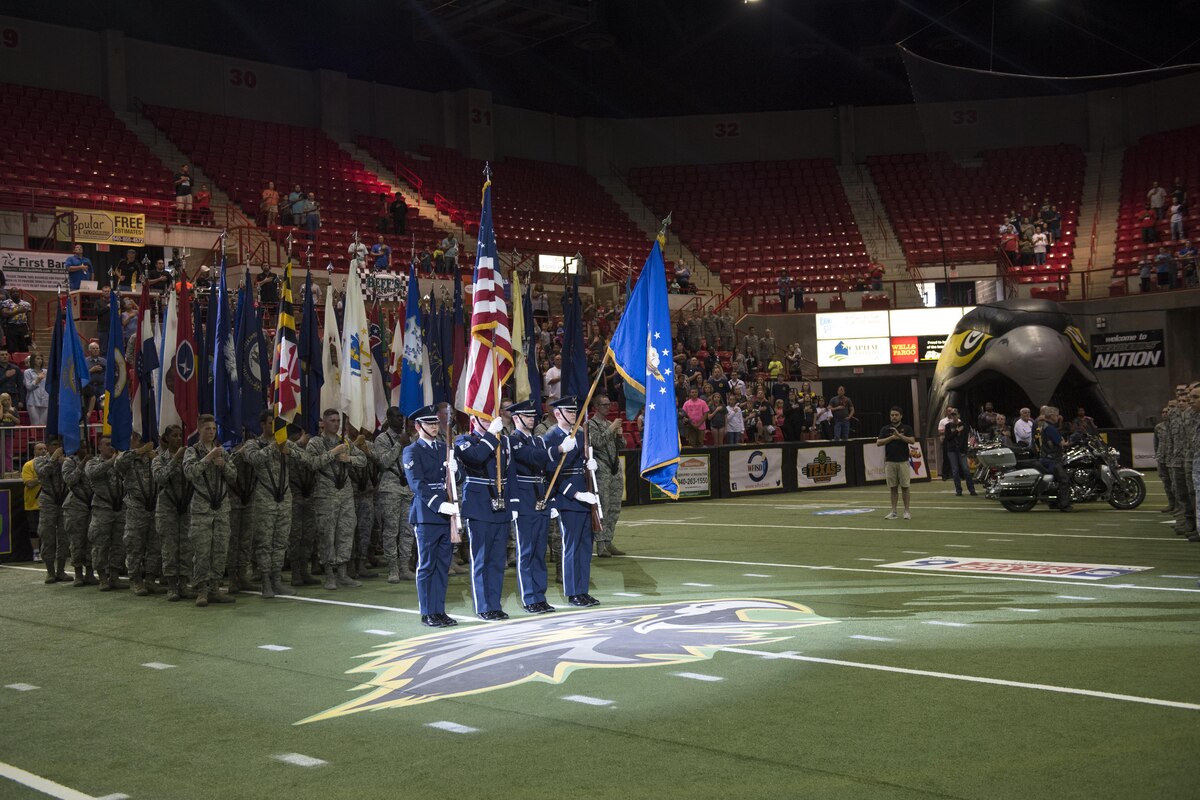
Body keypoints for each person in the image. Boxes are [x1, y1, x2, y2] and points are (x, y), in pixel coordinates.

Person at [403, 404, 461, 628]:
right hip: (427, 514)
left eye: (436, 423)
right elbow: (417, 484)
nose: (435, 427)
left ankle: (440, 610)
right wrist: (440, 505)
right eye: (430, 423)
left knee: (442, 564)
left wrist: (457, 470)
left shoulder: (443, 448)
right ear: (418, 426)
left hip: (446, 515)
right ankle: (428, 611)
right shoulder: (412, 451)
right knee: (427, 564)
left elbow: (455, 479)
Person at [244, 411, 310, 598]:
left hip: (284, 499)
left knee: (281, 542)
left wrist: (289, 450)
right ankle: (265, 581)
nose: (274, 428)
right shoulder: (253, 444)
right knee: (265, 542)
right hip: (265, 499)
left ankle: (276, 579)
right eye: (271, 423)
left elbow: (308, 460)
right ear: (262, 425)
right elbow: (253, 459)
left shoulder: (285, 444)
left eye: (277, 424)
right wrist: (275, 447)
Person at [541, 396, 600, 607]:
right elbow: (551, 474)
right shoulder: (551, 437)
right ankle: (573, 592)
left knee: (585, 546)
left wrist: (591, 466)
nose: (574, 414)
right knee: (571, 547)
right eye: (569, 411)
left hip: (586, 497)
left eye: (575, 411)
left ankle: (582, 590)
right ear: (558, 414)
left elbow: (583, 464)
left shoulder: (582, 435)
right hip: (568, 500)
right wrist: (575, 494)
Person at [455, 413, 513, 620]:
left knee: (498, 560)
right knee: (481, 559)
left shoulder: (503, 440)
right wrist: (490, 434)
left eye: (491, 418)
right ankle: (483, 606)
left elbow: (509, 473)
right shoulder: (464, 441)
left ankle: (495, 604)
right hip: (479, 506)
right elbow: (476, 457)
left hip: (501, 505)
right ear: (474, 419)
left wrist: (512, 503)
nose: (490, 422)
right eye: (484, 418)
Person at [307, 408, 365, 590]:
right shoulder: (316, 442)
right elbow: (311, 463)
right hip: (326, 495)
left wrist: (348, 459)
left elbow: (362, 459)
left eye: (338, 420)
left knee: (346, 532)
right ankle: (329, 575)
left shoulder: (345, 442)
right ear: (323, 423)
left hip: (345, 495)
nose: (336, 423)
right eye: (332, 420)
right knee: (327, 534)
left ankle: (342, 573)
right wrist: (332, 453)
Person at [184, 414, 238, 606]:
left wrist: (223, 466)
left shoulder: (222, 452)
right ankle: (202, 590)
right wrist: (208, 459)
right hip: (202, 509)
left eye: (214, 429)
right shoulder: (192, 451)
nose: (212, 432)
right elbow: (189, 473)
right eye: (207, 429)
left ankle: (215, 588)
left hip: (221, 508)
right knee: (202, 551)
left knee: (220, 549)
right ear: (199, 430)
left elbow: (233, 477)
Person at [506, 400, 555, 612]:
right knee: (526, 551)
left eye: (533, 415)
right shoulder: (513, 440)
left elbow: (547, 468)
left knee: (539, 550)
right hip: (524, 499)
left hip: (540, 497)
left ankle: (540, 595)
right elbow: (530, 457)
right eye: (527, 416)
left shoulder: (538, 441)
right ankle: (529, 598)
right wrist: (558, 449)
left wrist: (550, 499)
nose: (531, 419)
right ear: (516, 418)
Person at [115, 434, 164, 596]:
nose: (144, 443)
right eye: (139, 440)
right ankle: (135, 579)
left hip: (155, 506)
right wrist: (140, 451)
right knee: (134, 545)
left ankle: (150, 579)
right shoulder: (128, 459)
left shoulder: (156, 458)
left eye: (145, 440)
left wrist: (155, 457)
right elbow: (119, 463)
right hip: (136, 507)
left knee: (154, 545)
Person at [372, 408, 415, 583]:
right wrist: (399, 444)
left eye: (401, 417)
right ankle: (393, 568)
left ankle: (405, 567)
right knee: (391, 530)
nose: (400, 420)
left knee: (407, 529)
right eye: (396, 417)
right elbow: (383, 462)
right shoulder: (382, 439)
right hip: (390, 488)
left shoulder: (411, 438)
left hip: (408, 489)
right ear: (389, 419)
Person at [153, 424, 195, 602]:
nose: (178, 438)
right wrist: (175, 459)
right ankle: (171, 586)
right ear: (167, 438)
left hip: (185, 508)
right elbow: (160, 478)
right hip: (167, 509)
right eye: (175, 436)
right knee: (169, 548)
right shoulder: (159, 459)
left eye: (180, 435)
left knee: (185, 547)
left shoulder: (190, 458)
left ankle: (184, 585)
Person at [85, 436, 127, 591]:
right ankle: (102, 577)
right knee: (100, 543)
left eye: (112, 444)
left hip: (119, 507)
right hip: (102, 508)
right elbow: (92, 473)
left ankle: (114, 576)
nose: (110, 447)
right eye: (107, 445)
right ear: (100, 447)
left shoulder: (120, 463)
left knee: (118, 544)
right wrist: (111, 462)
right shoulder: (93, 462)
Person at [587, 396, 625, 558]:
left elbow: (622, 445)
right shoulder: (591, 425)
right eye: (604, 405)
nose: (607, 407)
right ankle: (600, 544)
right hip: (601, 469)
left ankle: (609, 540)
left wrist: (618, 435)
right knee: (603, 506)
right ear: (596, 406)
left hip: (615, 468)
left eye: (609, 404)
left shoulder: (611, 424)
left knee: (615, 507)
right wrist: (611, 430)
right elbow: (596, 442)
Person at [61, 444, 97, 587]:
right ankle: (78, 574)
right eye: (83, 447)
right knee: (77, 542)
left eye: (87, 447)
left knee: (90, 541)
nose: (86, 450)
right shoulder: (69, 462)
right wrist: (82, 464)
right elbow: (69, 480)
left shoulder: (94, 462)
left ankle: (89, 573)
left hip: (91, 506)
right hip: (75, 507)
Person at [33, 439, 69, 583]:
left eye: (60, 444)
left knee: (64, 537)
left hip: (64, 500)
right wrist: (54, 459)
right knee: (47, 535)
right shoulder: (40, 460)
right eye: (54, 444)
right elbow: (42, 473)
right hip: (48, 501)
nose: (58, 447)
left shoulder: (66, 459)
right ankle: (50, 571)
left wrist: (65, 462)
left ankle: (61, 570)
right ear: (48, 447)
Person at [877, 406, 916, 520]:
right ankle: (894, 512)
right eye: (892, 415)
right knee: (893, 488)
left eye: (896, 415)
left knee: (905, 487)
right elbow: (878, 442)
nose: (894, 417)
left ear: (901, 416)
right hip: (890, 462)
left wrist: (899, 436)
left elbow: (912, 440)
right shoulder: (885, 429)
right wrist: (892, 438)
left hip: (903, 461)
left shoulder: (907, 428)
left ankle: (906, 511)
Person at [1034, 406, 1073, 512]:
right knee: (1064, 480)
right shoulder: (1050, 428)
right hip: (1052, 459)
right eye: (1056, 415)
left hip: (1045, 458)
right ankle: (1064, 505)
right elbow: (1062, 444)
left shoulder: (1044, 426)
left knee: (1057, 480)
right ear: (1051, 416)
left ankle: (1053, 502)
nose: (1058, 417)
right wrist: (1070, 442)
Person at [941, 410, 976, 496]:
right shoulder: (948, 426)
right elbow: (948, 438)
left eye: (955, 415)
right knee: (955, 470)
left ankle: (972, 490)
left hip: (961, 451)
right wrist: (956, 431)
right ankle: (958, 490)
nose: (954, 416)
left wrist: (964, 451)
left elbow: (965, 439)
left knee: (966, 470)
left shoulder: (964, 425)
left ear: (959, 415)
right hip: (952, 450)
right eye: (952, 415)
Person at [21, 442, 44, 566]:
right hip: (33, 503)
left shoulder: (50, 465)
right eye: (40, 449)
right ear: (34, 452)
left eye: (45, 448)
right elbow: (29, 483)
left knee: (48, 530)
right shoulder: (28, 465)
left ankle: (48, 551)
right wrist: (42, 478)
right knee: (34, 529)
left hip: (48, 504)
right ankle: (36, 552)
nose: (43, 451)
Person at [23, 353, 48, 426]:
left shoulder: (46, 371)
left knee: (43, 424)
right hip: (32, 401)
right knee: (35, 424)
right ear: (33, 360)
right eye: (37, 359)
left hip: (45, 400)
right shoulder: (27, 372)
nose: (40, 360)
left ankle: (43, 438)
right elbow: (28, 387)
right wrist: (37, 380)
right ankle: (35, 437)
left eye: (41, 359)